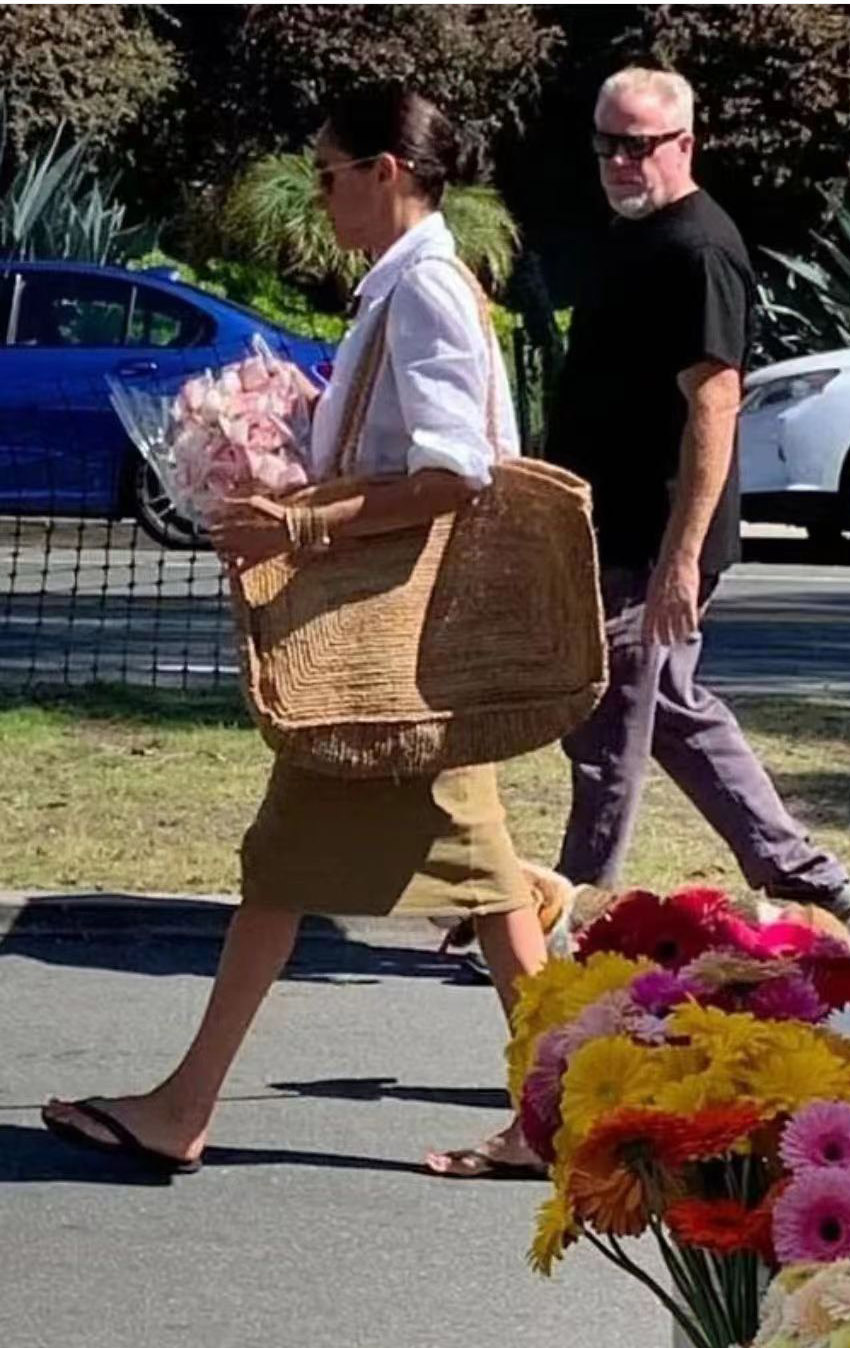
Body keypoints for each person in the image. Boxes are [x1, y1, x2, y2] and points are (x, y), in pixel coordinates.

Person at [42, 85, 545, 1181]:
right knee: (453, 883)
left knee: (308, 870)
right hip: (402, 644)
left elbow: (457, 470)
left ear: (388, 173)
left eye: (328, 174)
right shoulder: (407, 288)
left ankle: (185, 1106)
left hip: (390, 646)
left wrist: (301, 515)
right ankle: (562, 1115)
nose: (319, 197)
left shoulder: (422, 294)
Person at [546, 67, 850, 921]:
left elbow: (716, 404)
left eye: (639, 145)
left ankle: (563, 912)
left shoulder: (699, 249)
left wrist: (679, 563)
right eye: (607, 142)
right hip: (606, 526)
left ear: (684, 143)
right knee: (671, 703)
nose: (619, 161)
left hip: (655, 534)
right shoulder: (634, 232)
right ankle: (800, 870)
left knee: (610, 721)